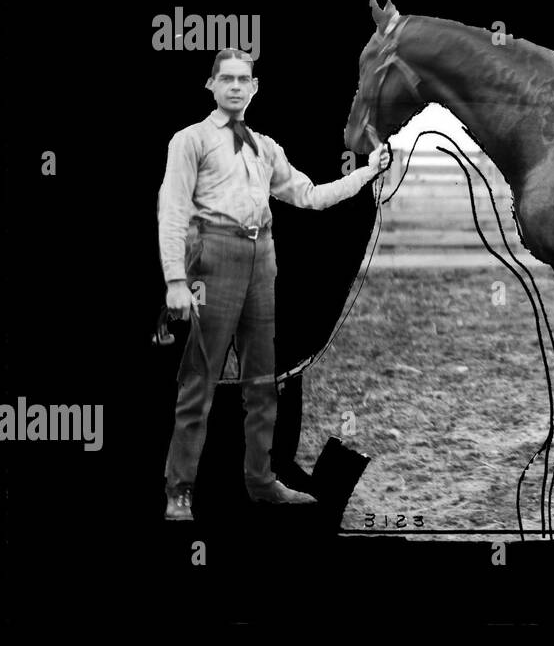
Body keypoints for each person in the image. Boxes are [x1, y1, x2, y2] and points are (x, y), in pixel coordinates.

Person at [158, 48, 390, 520]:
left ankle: (261, 481)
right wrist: (175, 280)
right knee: (199, 381)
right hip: (213, 259)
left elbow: (310, 196)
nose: (236, 87)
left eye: (244, 79)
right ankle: (179, 491)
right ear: (212, 86)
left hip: (261, 257)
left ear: (255, 87)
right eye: (227, 79)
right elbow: (173, 210)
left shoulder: (266, 148)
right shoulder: (190, 141)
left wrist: (368, 172)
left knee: (263, 381)